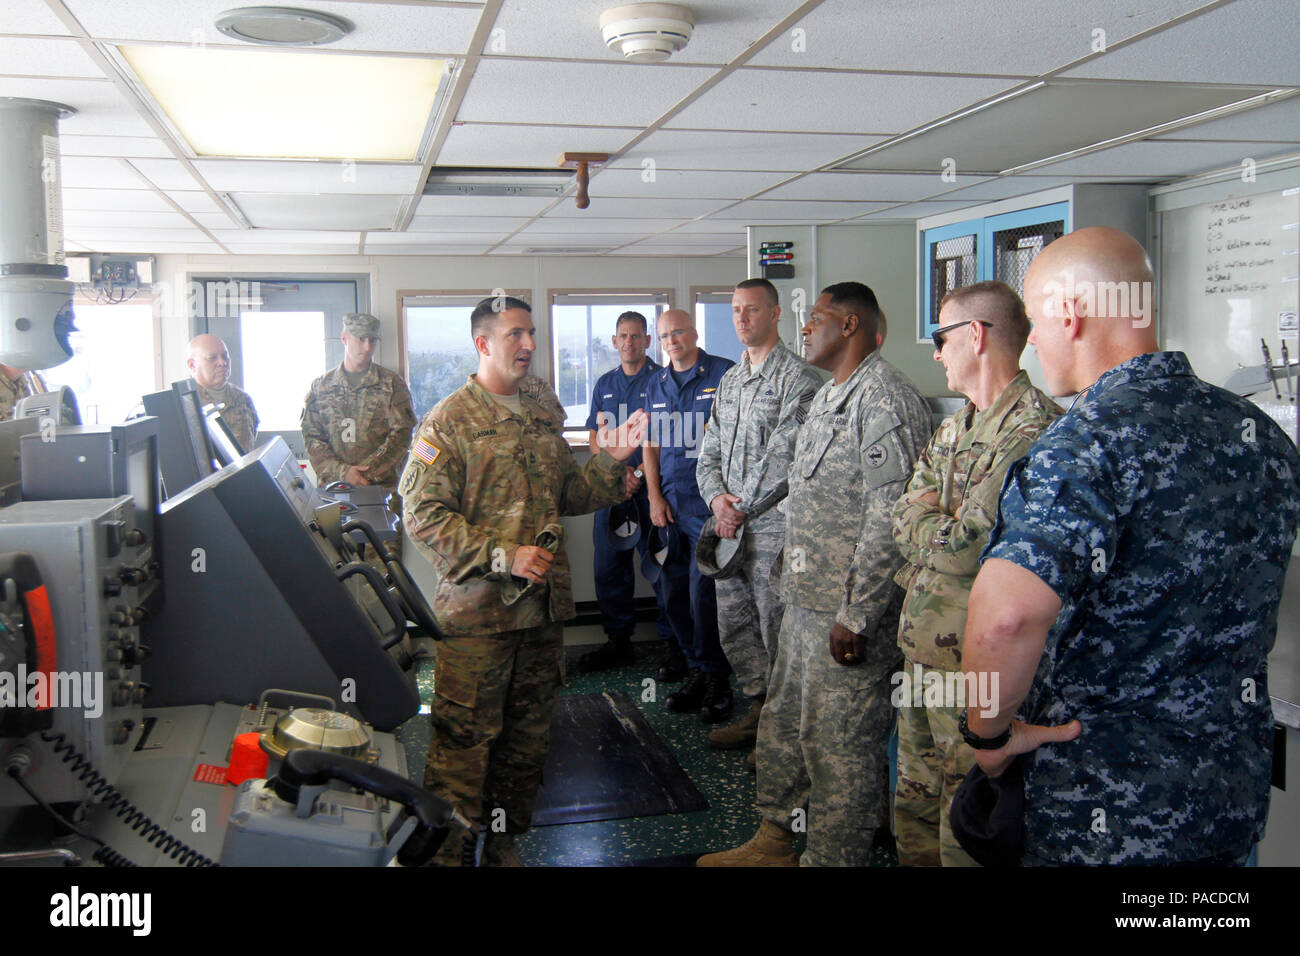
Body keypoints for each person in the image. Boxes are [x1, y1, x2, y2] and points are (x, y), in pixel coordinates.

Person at [963, 226, 1300, 865]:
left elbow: (1005, 618)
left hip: (1103, 806)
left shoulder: (1084, 446)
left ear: (1070, 312)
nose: (1031, 338)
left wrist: (988, 731)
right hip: (1225, 795)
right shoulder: (1258, 434)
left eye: (1035, 319)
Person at [400, 295, 647, 867]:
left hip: (542, 613)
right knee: (465, 744)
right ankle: (448, 855)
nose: (529, 345)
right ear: (484, 344)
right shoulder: (450, 421)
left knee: (525, 744)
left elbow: (566, 496)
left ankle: (502, 843)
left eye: (531, 333)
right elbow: (423, 516)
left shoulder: (540, 410)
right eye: (515, 334)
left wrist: (611, 467)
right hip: (480, 618)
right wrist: (501, 556)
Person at [698, 281, 931, 867]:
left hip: (846, 615)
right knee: (785, 727)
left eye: (817, 318)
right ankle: (776, 838)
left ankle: (831, 857)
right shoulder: (831, 396)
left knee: (840, 748)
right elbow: (805, 499)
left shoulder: (885, 400)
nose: (805, 328)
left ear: (850, 325)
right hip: (803, 601)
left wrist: (856, 614)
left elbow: (890, 520)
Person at [890, 281, 1062, 867]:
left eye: (941, 337)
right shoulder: (956, 427)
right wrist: (932, 522)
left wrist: (930, 524)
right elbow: (903, 513)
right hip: (921, 653)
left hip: (974, 667)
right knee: (913, 801)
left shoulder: (1034, 432)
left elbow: (967, 546)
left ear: (977, 335)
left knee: (963, 818)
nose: (936, 352)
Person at [695, 278, 821, 752]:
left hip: (772, 529)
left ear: (774, 314)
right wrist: (716, 502)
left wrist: (737, 508)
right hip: (729, 528)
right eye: (735, 311)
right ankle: (758, 710)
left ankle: (784, 737)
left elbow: (785, 458)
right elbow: (708, 451)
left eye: (751, 310)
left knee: (776, 626)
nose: (742, 319)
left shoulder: (801, 379)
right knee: (736, 625)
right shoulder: (730, 380)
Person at [642, 309, 735, 721]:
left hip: (707, 506)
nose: (671, 340)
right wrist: (653, 497)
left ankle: (717, 678)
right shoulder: (656, 384)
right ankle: (696, 669)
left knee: (704, 597)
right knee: (672, 591)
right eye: (664, 335)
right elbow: (649, 444)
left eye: (678, 332)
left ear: (694, 333)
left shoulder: (723, 374)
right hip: (670, 504)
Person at [578, 311, 677, 672]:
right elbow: (594, 437)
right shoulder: (604, 383)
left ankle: (674, 645)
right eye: (624, 336)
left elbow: (667, 438)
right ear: (615, 341)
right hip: (613, 494)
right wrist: (616, 473)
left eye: (637, 336)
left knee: (662, 567)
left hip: (653, 491)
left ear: (648, 341)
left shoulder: (662, 382)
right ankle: (618, 642)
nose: (630, 343)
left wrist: (635, 473)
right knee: (608, 569)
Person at [301, 312, 416, 494]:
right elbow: (313, 437)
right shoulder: (321, 387)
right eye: (361, 339)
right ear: (344, 339)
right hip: (334, 487)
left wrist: (365, 473)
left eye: (372, 340)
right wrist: (344, 472)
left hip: (380, 488)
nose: (367, 346)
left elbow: (401, 435)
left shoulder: (392, 384)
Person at [186, 333, 259, 452]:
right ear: (192, 365)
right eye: (212, 358)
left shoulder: (243, 399)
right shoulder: (184, 404)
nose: (222, 363)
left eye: (225, 356)